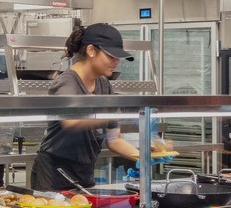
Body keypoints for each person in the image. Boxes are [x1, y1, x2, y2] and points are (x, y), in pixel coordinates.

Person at [31, 22, 161, 191]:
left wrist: (143, 155)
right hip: (54, 172)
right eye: (111, 56)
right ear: (91, 50)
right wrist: (115, 115)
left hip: (85, 172)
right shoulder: (67, 82)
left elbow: (114, 139)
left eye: (118, 58)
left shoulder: (104, 85)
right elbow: (70, 121)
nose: (116, 62)